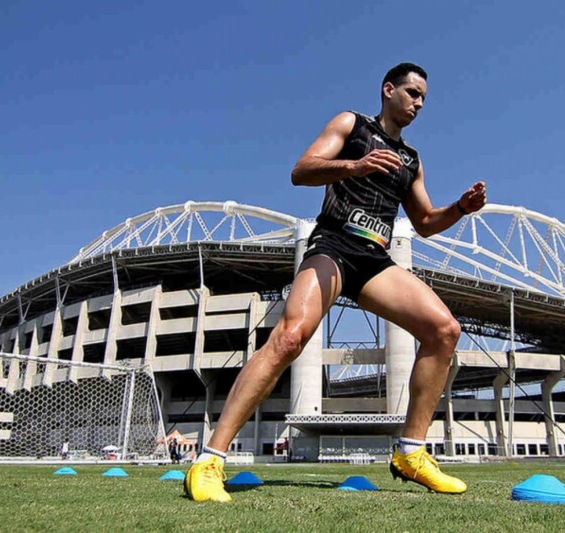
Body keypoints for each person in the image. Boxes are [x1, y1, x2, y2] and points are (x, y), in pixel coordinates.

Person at [184, 63, 487, 503]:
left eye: (424, 97)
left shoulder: (412, 161)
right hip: (333, 246)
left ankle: (411, 454)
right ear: (388, 90)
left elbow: (423, 222)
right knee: (290, 338)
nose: (419, 103)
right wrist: (355, 166)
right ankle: (209, 459)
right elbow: (302, 170)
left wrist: (459, 207)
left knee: (444, 330)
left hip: (374, 260)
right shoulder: (352, 124)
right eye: (412, 92)